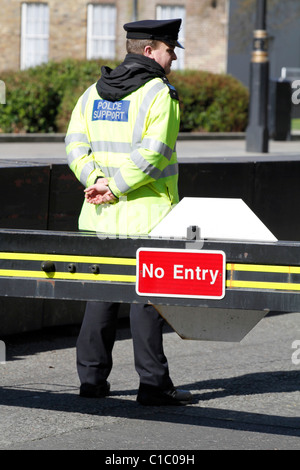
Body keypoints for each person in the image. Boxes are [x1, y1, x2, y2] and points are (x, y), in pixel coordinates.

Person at [65, 19, 193, 406]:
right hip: (147, 217)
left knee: (100, 296)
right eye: (171, 50)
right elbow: (153, 153)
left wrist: (96, 181)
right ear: (151, 49)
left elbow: (74, 143)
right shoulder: (159, 93)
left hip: (99, 215)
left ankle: (91, 382)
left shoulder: (92, 92)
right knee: (147, 302)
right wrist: (116, 187)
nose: (174, 59)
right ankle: (153, 386)